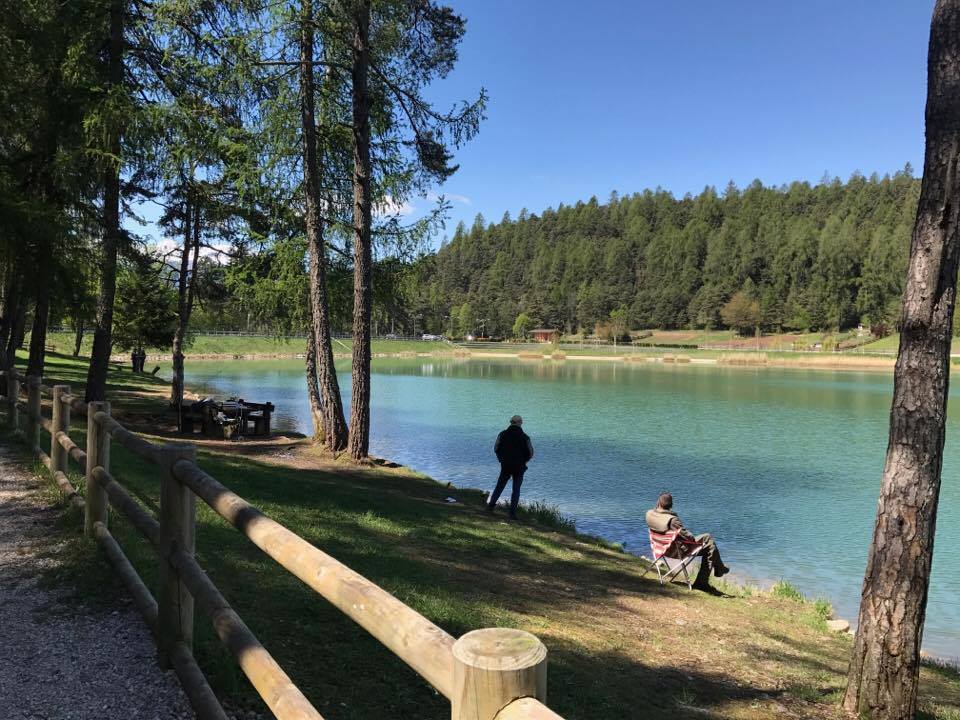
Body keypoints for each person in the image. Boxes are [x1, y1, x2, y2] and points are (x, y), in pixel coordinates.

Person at [645, 491, 730, 591]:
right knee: (709, 541)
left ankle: (719, 569)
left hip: (660, 548)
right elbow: (690, 538)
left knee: (709, 543)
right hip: (676, 551)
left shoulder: (649, 514)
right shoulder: (672, 520)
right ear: (671, 505)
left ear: (658, 503)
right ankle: (706, 580)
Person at [486, 415, 534, 519]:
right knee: (516, 489)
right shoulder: (525, 437)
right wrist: (525, 461)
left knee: (500, 485)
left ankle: (490, 506)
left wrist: (501, 458)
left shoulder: (502, 434)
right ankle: (512, 513)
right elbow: (531, 453)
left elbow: (495, 448)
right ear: (520, 423)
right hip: (519, 466)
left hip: (505, 465)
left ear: (511, 422)